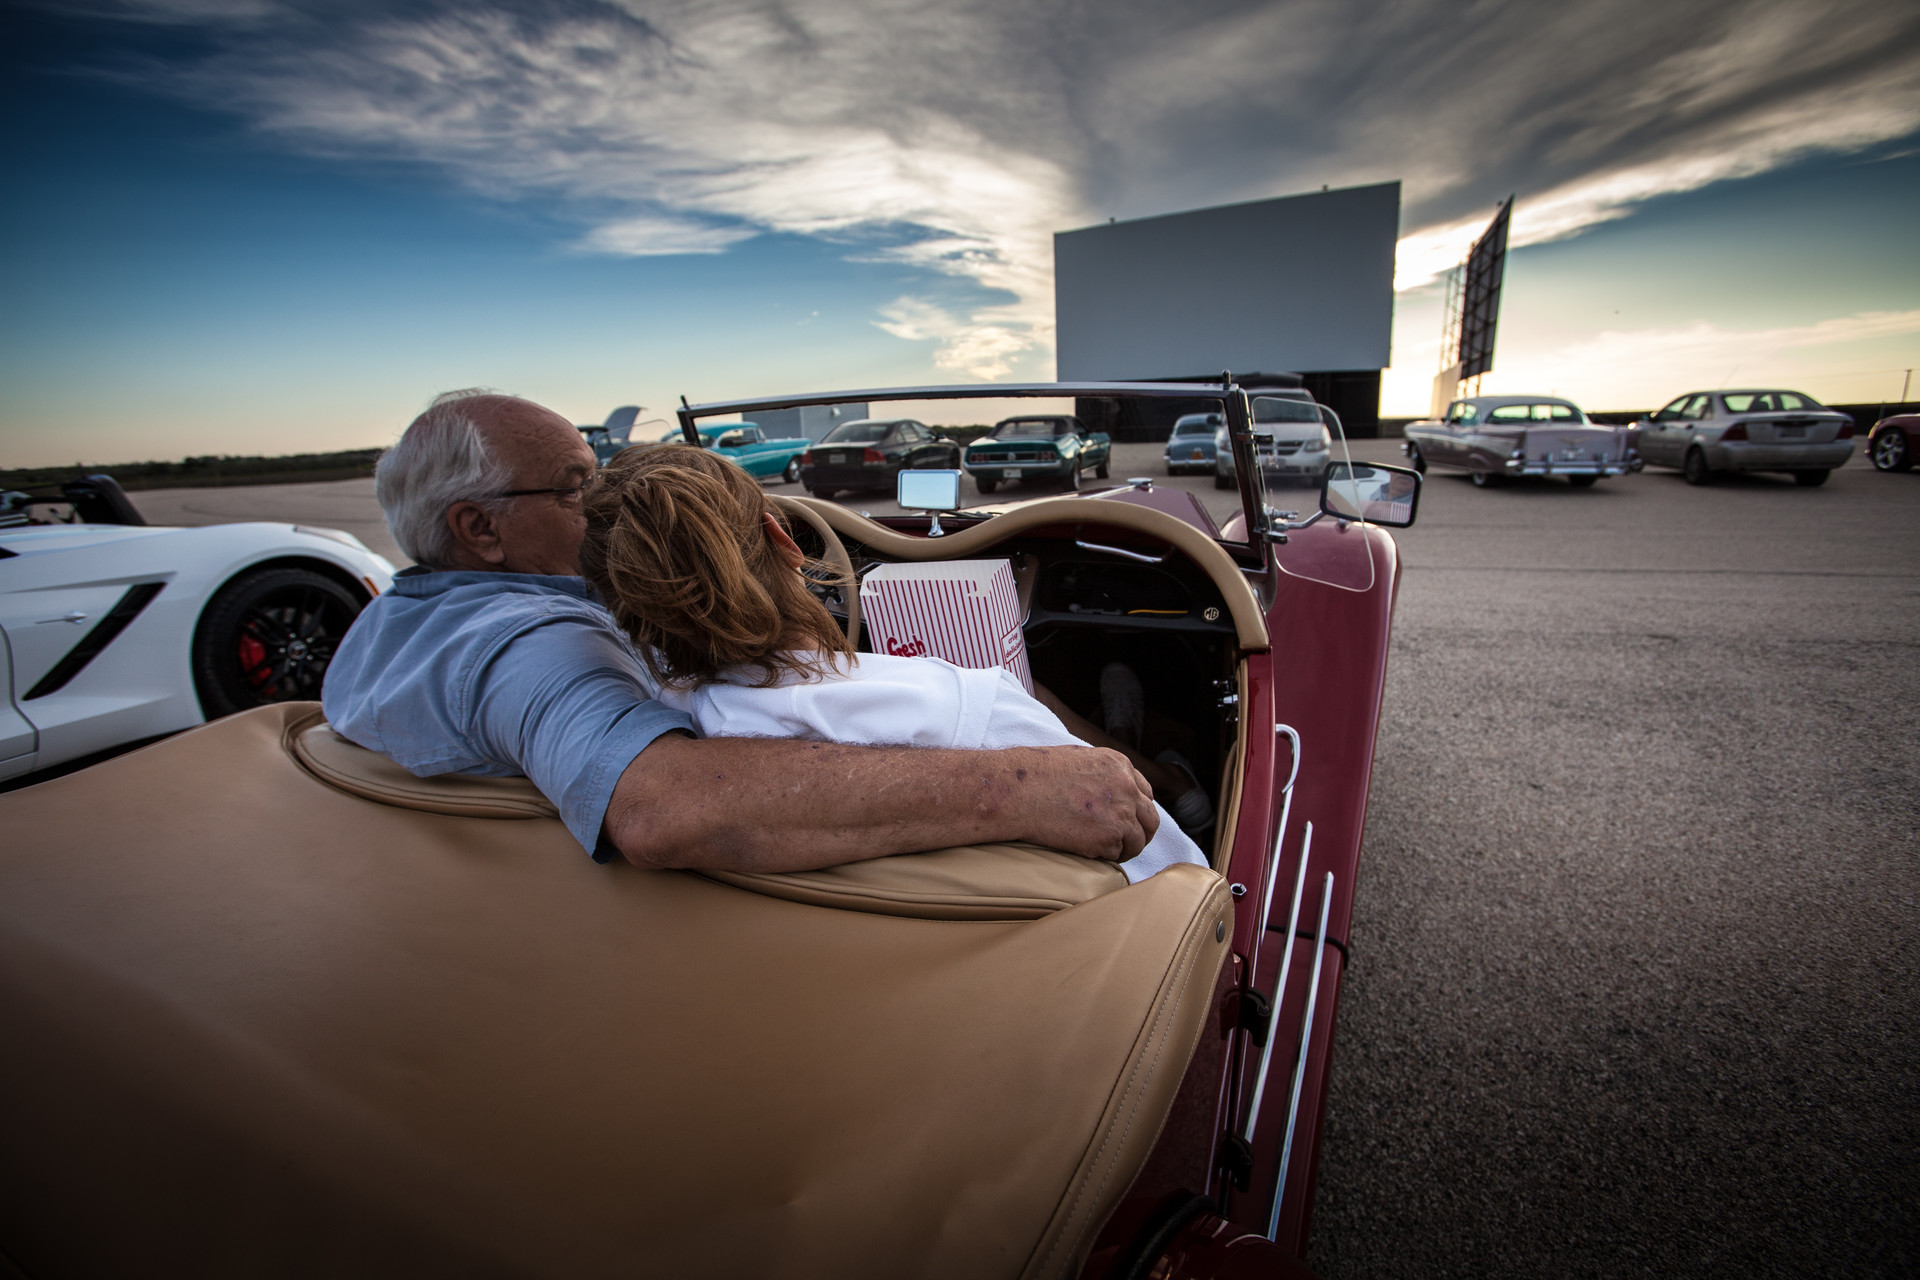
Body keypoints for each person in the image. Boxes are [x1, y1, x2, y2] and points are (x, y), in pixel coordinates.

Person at [321, 390, 1159, 875]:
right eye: (578, 487)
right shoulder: (527, 649)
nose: (607, 500)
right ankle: (1155, 759)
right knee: (1011, 690)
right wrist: (1024, 783)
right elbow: (658, 808)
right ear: (480, 529)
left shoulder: (390, 628)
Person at [576, 444, 1210, 882]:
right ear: (783, 541)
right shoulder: (972, 715)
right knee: (1029, 694)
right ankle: (1166, 776)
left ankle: (1132, 741)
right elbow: (1175, 876)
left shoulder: (637, 729)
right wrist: (966, 684)